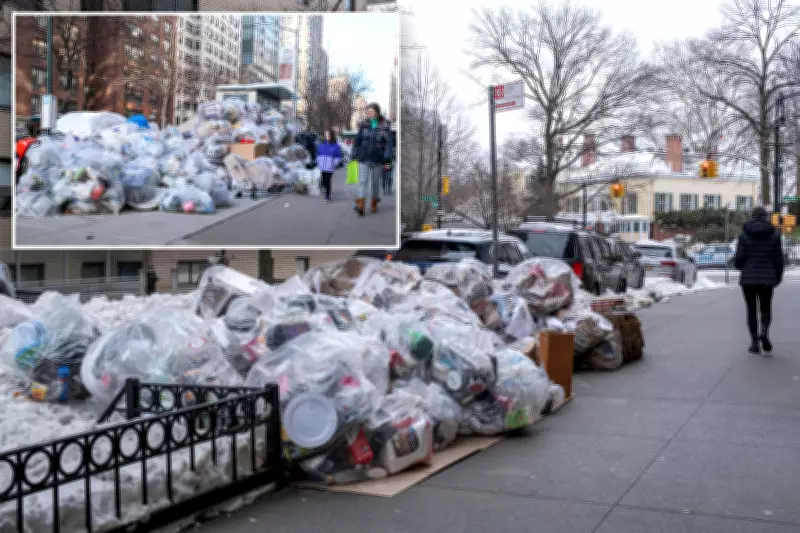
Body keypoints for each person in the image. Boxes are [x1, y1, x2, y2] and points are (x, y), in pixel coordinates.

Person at [733, 206, 784, 354]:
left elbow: (738, 261)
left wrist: (743, 266)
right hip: (767, 278)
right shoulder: (774, 235)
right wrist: (778, 277)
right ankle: (764, 332)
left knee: (751, 309)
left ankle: (754, 343)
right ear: (766, 217)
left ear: (751, 216)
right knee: (765, 307)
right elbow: (779, 260)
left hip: (748, 279)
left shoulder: (744, 236)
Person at [352, 103, 393, 215]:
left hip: (378, 159)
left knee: (375, 183)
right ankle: (361, 206)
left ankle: (374, 202)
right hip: (364, 157)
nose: (369, 113)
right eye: (367, 111)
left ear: (377, 112)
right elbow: (358, 141)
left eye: (371, 111)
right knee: (363, 181)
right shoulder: (364, 125)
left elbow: (388, 144)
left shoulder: (385, 125)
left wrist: (387, 158)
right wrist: (354, 153)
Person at [316, 129, 343, 203]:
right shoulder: (321, 145)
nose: (327, 136)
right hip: (322, 167)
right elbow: (318, 154)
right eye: (326, 135)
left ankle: (327, 196)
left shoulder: (336, 146)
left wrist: (333, 164)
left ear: (331, 135)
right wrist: (318, 162)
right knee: (323, 181)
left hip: (330, 168)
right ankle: (326, 191)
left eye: (328, 135)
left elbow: (338, 157)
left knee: (327, 181)